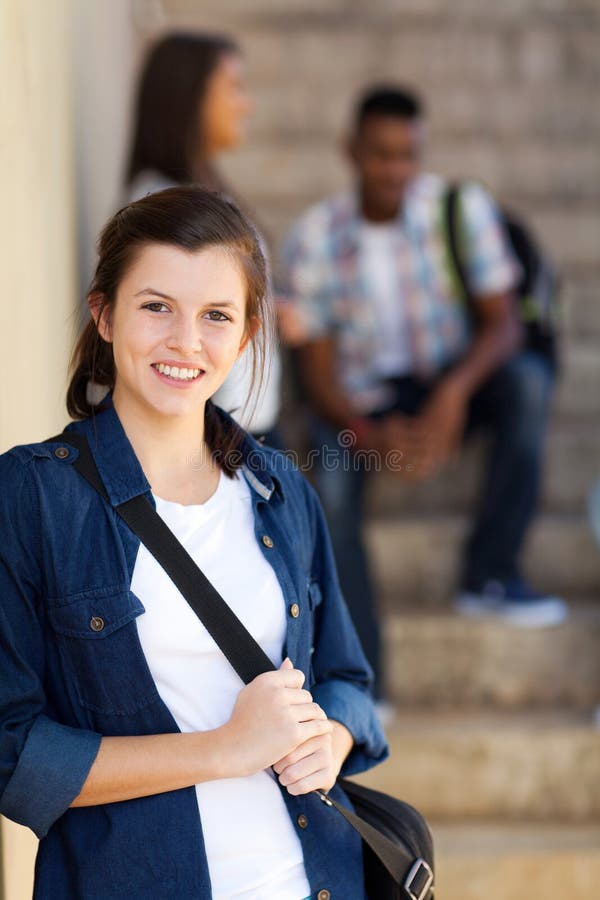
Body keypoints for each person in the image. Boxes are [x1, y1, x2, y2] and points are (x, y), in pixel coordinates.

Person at [0, 187, 387, 899]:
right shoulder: (30, 498)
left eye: (216, 316)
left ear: (244, 336)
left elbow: (349, 682)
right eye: (156, 306)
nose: (186, 342)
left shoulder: (281, 491)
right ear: (104, 314)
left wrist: (331, 738)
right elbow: (15, 756)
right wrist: (222, 749)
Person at [279, 85, 567, 698]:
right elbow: (318, 377)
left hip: (448, 379)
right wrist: (368, 434)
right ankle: (362, 677)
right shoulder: (316, 238)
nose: (396, 170)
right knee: (328, 476)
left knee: (528, 384)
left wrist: (453, 395)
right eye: (381, 155)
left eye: (408, 155)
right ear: (351, 151)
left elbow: (507, 322)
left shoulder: (459, 210)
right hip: (362, 400)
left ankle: (491, 573)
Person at [125, 31, 283, 443]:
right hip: (220, 435)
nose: (245, 105)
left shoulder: (202, 192)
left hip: (242, 426)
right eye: (233, 88)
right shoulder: (161, 205)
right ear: (189, 97)